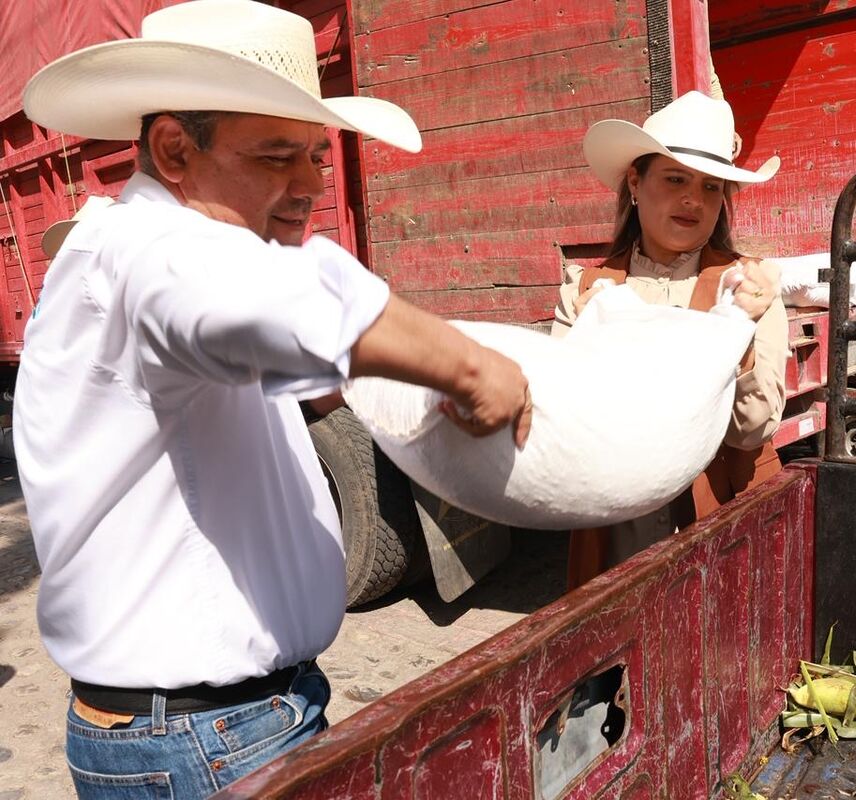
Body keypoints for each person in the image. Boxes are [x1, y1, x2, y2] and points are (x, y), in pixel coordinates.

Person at [14, 2, 532, 797]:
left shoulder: (138, 255)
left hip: (211, 727)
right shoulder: (155, 251)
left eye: (317, 158)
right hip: (201, 738)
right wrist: (471, 367)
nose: (309, 186)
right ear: (174, 149)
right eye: (276, 157)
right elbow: (274, 300)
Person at [551, 91, 788, 587]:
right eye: (676, 179)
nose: (693, 200)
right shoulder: (587, 290)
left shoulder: (748, 287)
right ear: (636, 182)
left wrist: (739, 332)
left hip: (720, 530)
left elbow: (752, 431)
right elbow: (562, 425)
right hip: (617, 540)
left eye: (710, 186)